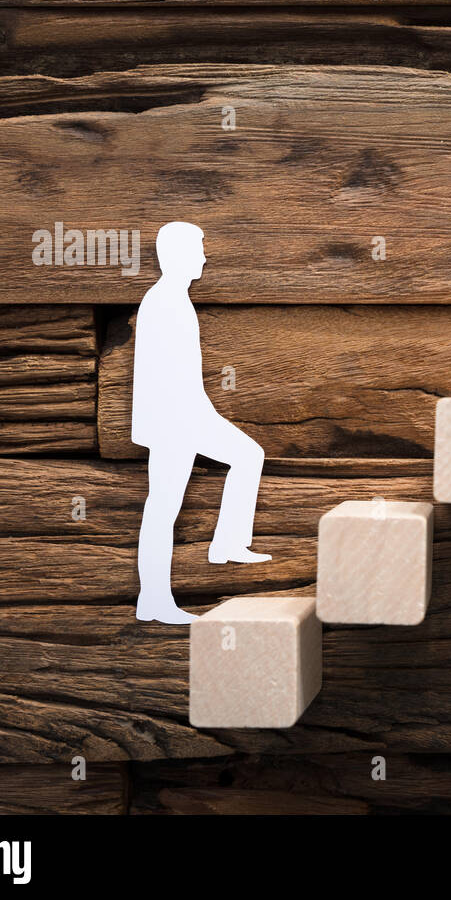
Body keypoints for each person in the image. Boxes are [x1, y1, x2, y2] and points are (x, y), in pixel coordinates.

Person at [132, 221, 270, 624]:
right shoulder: (163, 301)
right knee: (163, 507)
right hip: (174, 423)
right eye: (199, 249)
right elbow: (164, 377)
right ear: (176, 255)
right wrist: (185, 422)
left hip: (188, 416)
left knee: (247, 456)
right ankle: (154, 600)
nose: (205, 257)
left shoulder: (173, 298)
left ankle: (227, 545)